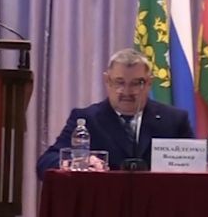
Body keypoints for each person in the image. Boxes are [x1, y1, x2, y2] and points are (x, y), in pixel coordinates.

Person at [36, 48, 193, 178]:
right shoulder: (87, 119)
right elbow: (46, 162)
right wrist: (79, 161)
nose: (127, 91)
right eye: (120, 82)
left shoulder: (174, 120)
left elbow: (196, 164)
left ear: (149, 83)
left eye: (136, 83)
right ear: (107, 81)